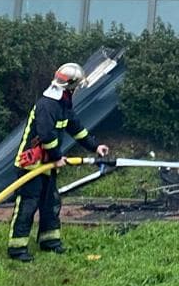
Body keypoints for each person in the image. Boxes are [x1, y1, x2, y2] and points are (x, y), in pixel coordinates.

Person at [8, 62, 109, 262]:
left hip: (47, 166)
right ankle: (17, 248)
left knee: (50, 202)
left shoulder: (63, 104)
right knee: (28, 204)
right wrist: (56, 157)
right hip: (31, 166)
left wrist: (95, 146)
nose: (78, 90)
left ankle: (49, 241)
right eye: (77, 86)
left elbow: (76, 128)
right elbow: (46, 136)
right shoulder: (47, 106)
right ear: (69, 87)